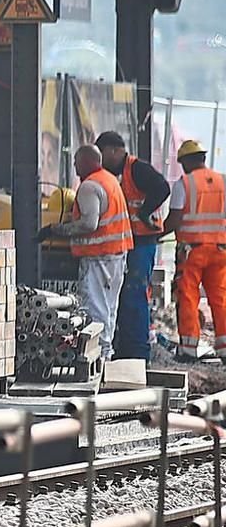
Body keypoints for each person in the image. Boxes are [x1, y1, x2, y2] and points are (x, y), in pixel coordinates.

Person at [95, 129, 170, 363]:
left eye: (104, 154)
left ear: (117, 150)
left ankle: (137, 352)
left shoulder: (136, 169)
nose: (102, 160)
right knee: (126, 294)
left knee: (134, 294)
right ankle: (127, 347)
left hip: (141, 242)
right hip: (130, 242)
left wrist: (146, 212)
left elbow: (162, 187)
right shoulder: (116, 175)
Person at [50, 143, 130, 350]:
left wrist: (57, 229)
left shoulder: (89, 186)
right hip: (116, 255)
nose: (75, 168)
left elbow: (88, 223)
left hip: (98, 257)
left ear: (86, 162)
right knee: (109, 308)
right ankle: (105, 352)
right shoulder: (110, 180)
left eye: (76, 163)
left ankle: (99, 355)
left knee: (94, 308)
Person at [166, 139, 226, 361]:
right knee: (220, 297)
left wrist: (154, 234)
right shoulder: (222, 181)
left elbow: (174, 219)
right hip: (220, 250)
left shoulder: (185, 183)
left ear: (187, 161)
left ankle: (189, 349)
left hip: (192, 251)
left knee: (188, 296)